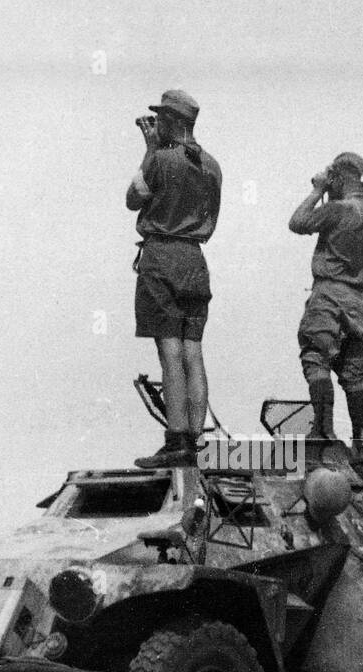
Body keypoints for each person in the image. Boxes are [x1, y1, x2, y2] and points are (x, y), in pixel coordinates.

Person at [127, 89, 222, 468]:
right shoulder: (212, 165)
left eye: (161, 118)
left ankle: (176, 440)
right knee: (193, 351)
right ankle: (196, 441)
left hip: (162, 257)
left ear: (172, 121)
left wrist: (149, 151)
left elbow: (133, 199)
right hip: (195, 260)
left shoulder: (161, 160)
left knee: (169, 350)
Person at [288, 152, 363, 465]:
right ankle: (361, 444)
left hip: (329, 294)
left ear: (341, 177)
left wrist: (317, 190)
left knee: (316, 357)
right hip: (359, 301)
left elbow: (297, 222)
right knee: (354, 375)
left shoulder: (338, 209)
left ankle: (323, 431)